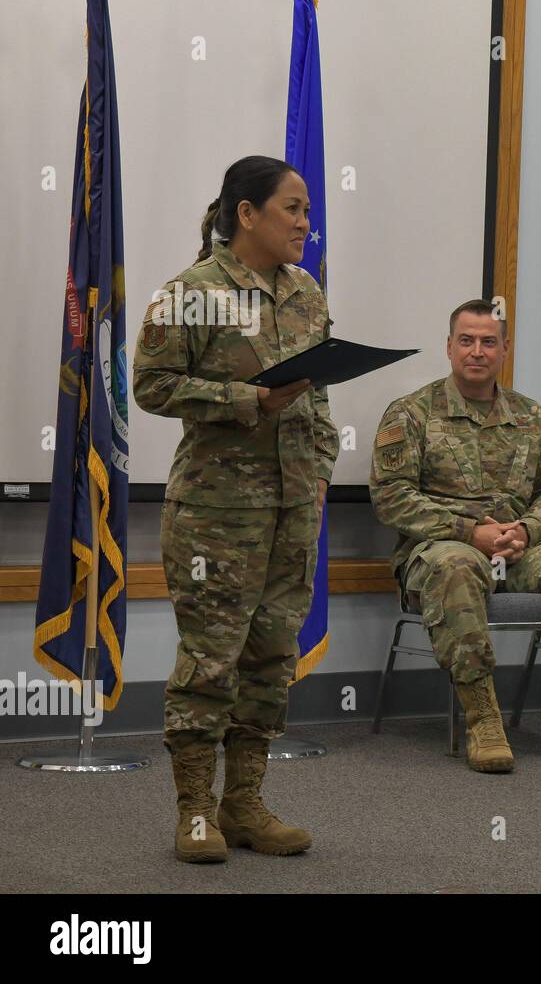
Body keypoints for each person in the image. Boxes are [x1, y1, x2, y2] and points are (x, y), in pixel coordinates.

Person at [133, 155, 338, 861]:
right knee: (210, 661)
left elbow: (320, 389)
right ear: (246, 214)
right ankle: (195, 812)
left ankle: (245, 803)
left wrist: (324, 464)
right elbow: (150, 385)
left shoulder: (306, 291)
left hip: (292, 508)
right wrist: (244, 399)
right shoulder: (192, 292)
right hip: (216, 513)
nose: (305, 224)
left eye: (308, 211)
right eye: (293, 209)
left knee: (271, 658)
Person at [370, 299, 541, 773]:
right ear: (449, 347)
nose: (477, 351)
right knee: (455, 565)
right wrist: (472, 533)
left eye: (488, 342)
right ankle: (483, 720)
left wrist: (527, 531)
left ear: (504, 350)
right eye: (466, 340)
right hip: (443, 548)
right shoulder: (410, 413)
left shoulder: (531, 416)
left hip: (521, 549)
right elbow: (391, 497)